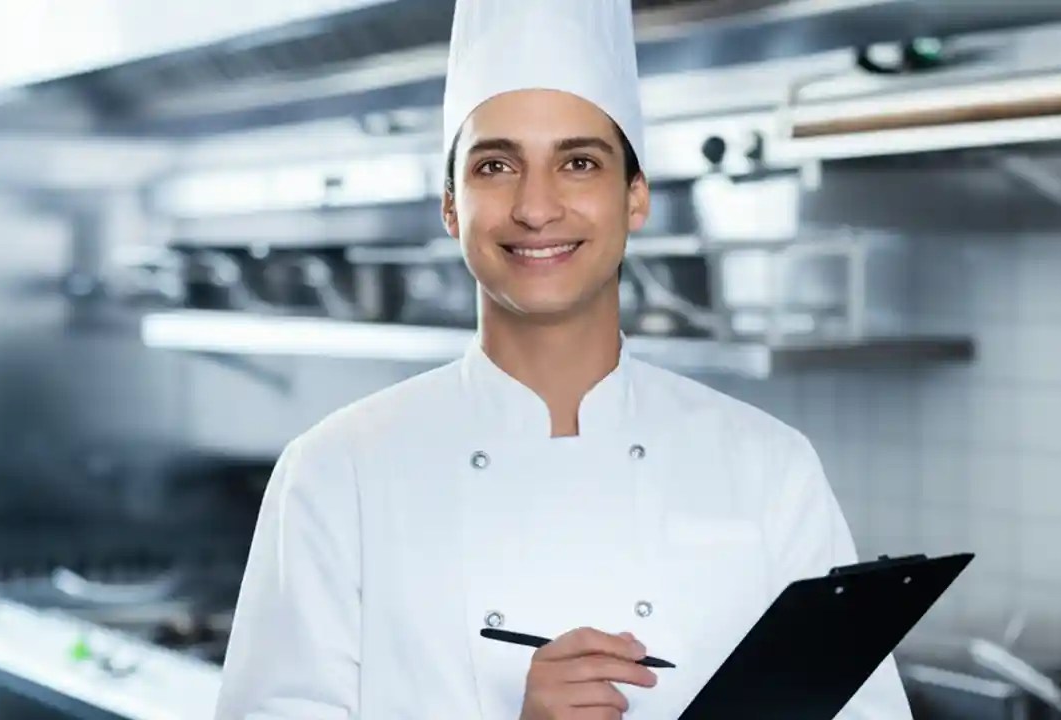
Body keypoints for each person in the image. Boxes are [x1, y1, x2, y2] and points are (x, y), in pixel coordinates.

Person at [213, 0, 914, 718]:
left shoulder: (769, 465)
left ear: (634, 198)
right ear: (451, 206)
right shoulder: (336, 472)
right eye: (496, 165)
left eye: (579, 162)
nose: (537, 207)